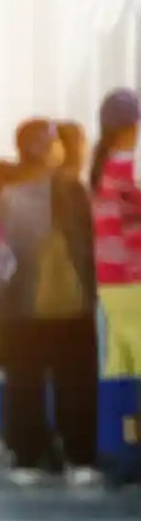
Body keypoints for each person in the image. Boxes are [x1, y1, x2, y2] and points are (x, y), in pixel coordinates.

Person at [0, 119, 99, 486]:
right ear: (46, 147)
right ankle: (80, 457)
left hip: (22, 308)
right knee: (76, 381)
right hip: (71, 303)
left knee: (24, 381)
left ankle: (26, 458)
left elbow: (1, 256)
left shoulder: (10, 196)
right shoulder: (73, 191)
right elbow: (88, 247)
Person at [90, 90, 141, 385]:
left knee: (119, 364)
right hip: (133, 280)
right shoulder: (125, 169)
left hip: (110, 283)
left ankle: (113, 431)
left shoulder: (100, 170)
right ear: (132, 126)